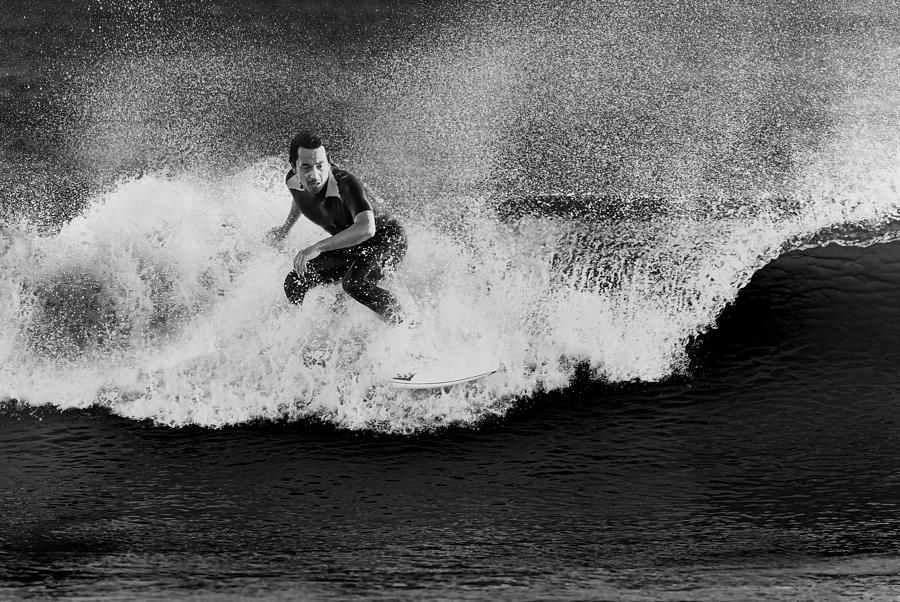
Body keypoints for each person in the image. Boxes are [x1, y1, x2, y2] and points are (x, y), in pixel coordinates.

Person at [266, 131, 407, 323]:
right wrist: (285, 228)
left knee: (356, 284)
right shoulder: (292, 180)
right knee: (296, 281)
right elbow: (301, 200)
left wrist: (317, 247)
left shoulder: (346, 186)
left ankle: (405, 327)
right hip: (350, 243)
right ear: (294, 167)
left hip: (386, 240)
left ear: (328, 162)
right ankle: (295, 332)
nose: (314, 175)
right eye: (305, 167)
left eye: (320, 166)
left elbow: (367, 228)